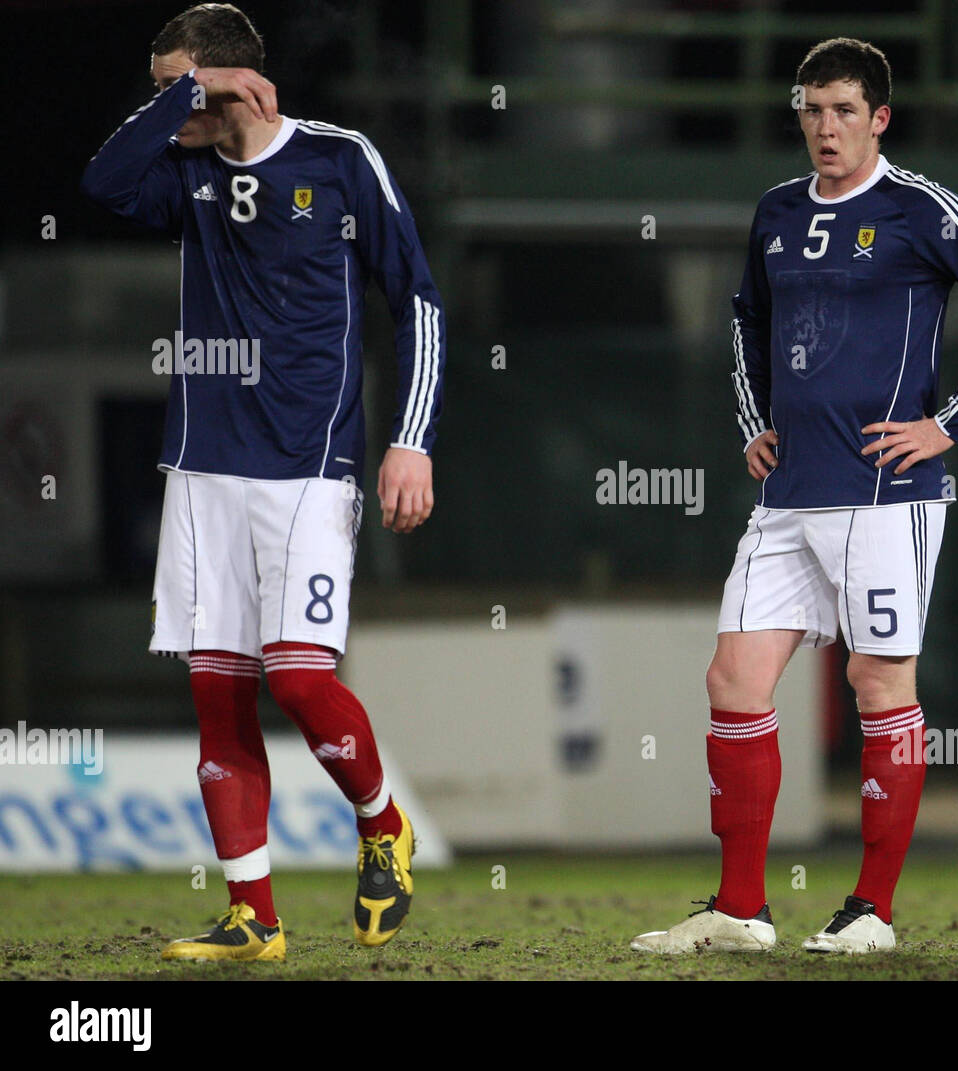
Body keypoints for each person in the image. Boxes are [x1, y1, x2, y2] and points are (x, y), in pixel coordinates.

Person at [632, 37, 958, 954]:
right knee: (733, 681)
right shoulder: (777, 211)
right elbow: (748, 317)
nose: (826, 128)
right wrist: (753, 419)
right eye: (813, 110)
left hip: (885, 494)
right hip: (788, 493)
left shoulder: (917, 209)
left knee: (877, 683)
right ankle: (741, 907)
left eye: (844, 112)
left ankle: (872, 911)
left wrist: (951, 423)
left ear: (879, 120)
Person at [81, 3, 446, 960]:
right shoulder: (183, 169)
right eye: (162, 93)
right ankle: (256, 916)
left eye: (176, 88)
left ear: (238, 80)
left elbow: (418, 300)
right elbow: (102, 180)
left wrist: (411, 440)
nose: (163, 109)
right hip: (203, 466)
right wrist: (183, 107)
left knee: (296, 675)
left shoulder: (337, 160)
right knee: (217, 697)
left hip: (308, 464)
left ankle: (381, 823)